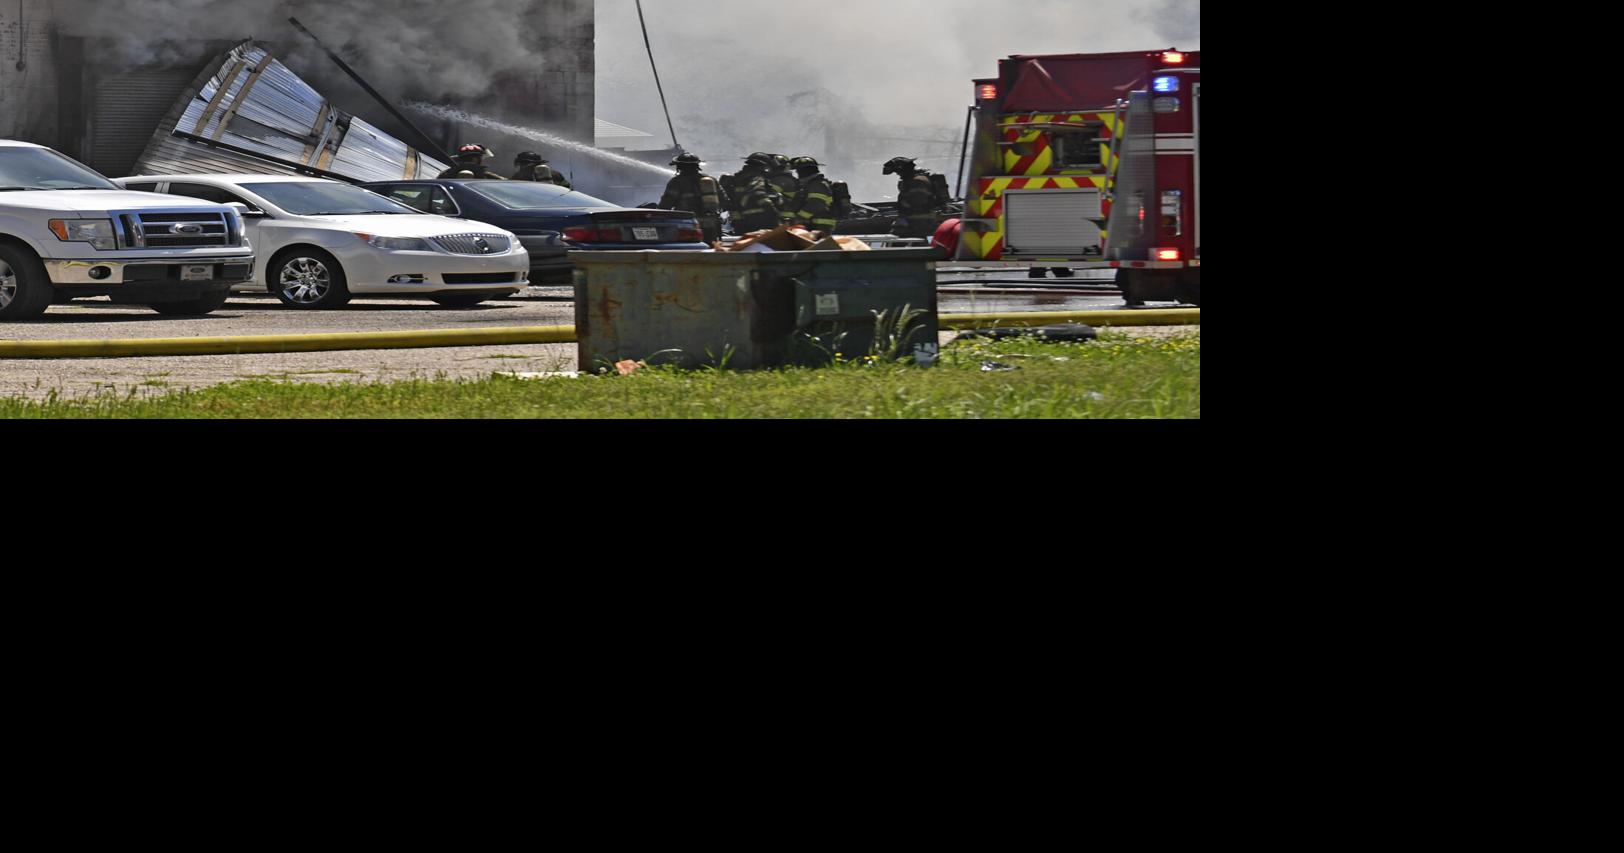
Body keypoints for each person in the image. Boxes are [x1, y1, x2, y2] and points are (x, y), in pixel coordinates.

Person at [659, 153, 724, 244]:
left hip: (687, 224)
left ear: (679, 166)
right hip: (711, 224)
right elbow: (724, 201)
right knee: (711, 249)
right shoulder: (710, 180)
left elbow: (666, 204)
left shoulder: (676, 182)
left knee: (689, 249)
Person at [884, 156, 941, 238]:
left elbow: (917, 203)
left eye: (898, 172)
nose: (898, 175)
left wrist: (903, 217)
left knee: (911, 244)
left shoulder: (916, 182)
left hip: (919, 222)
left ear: (903, 169)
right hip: (917, 221)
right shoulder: (913, 180)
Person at [730, 153, 786, 234]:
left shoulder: (738, 178)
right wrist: (773, 211)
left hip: (743, 221)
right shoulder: (757, 178)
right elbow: (758, 194)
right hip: (761, 221)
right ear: (763, 166)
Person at [787, 157, 837, 233]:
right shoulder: (811, 184)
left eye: (798, 171)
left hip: (820, 224)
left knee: (818, 244)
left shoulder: (817, 184)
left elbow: (816, 203)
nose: (797, 174)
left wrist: (799, 217)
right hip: (814, 223)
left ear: (803, 171)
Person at [765, 154, 801, 224]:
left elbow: (767, 194)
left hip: (783, 218)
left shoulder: (781, 180)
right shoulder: (788, 179)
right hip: (788, 217)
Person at [438, 144, 506, 180]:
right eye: (481, 158)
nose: (482, 160)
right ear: (475, 159)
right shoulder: (486, 176)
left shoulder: (447, 174)